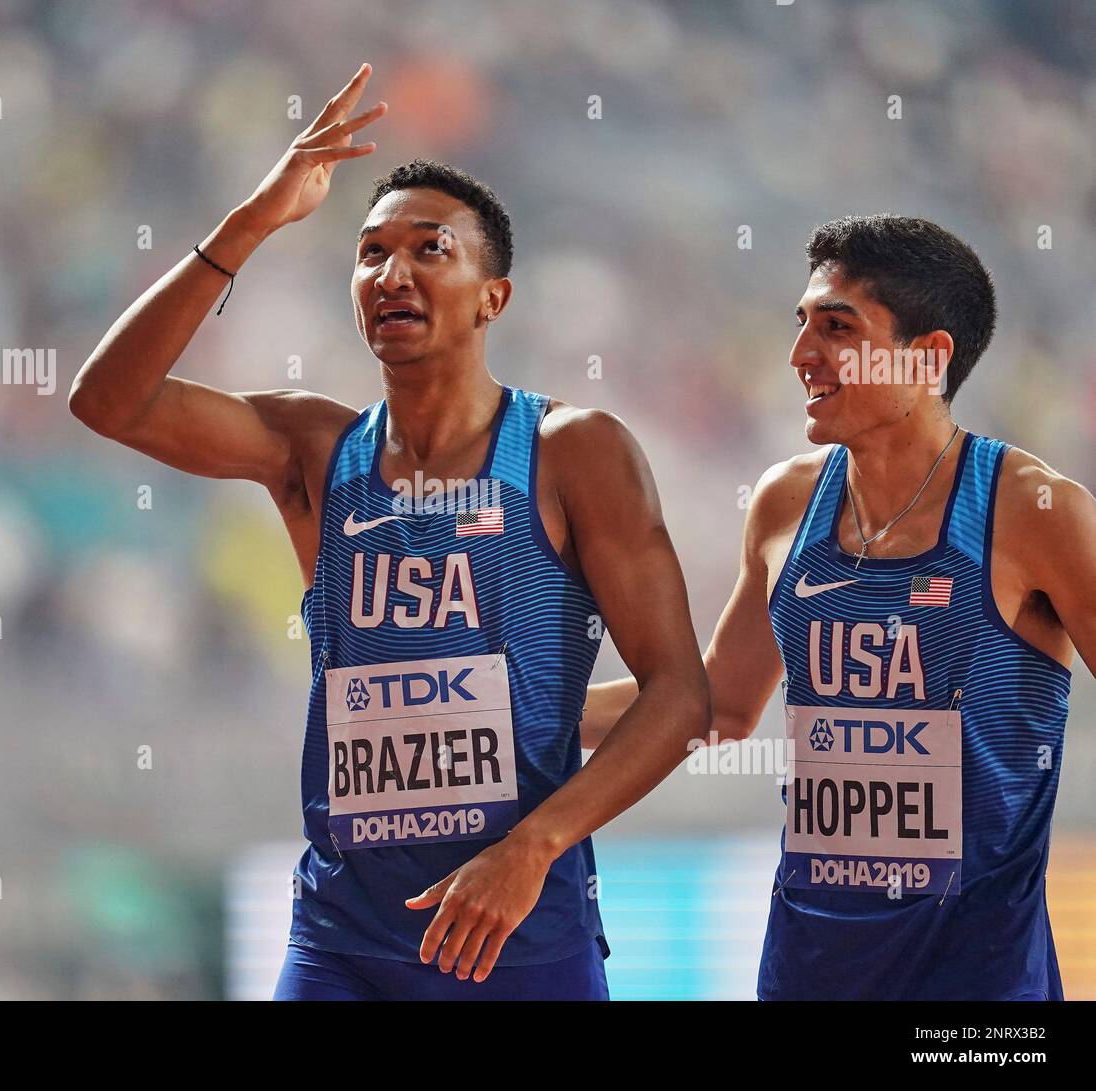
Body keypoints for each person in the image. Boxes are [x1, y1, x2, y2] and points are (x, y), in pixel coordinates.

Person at [69, 63, 709, 1001]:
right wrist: (254, 220)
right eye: (369, 253)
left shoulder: (574, 451)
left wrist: (531, 847)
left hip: (517, 940)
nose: (391, 272)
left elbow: (679, 696)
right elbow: (108, 401)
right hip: (343, 946)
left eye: (430, 249)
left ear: (494, 297)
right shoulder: (314, 451)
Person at [582, 215, 1096, 1000]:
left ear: (928, 357)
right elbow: (715, 702)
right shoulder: (786, 502)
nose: (799, 356)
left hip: (979, 993)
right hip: (807, 970)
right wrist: (521, 712)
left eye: (836, 327)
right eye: (801, 325)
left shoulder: (1033, 510)